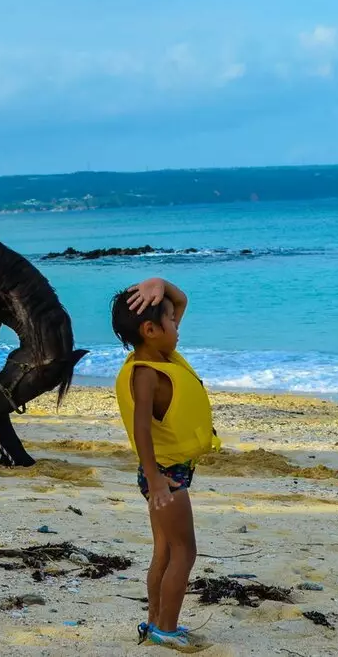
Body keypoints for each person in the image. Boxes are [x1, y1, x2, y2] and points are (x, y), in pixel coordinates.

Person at [111, 277, 221, 650]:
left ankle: (155, 622)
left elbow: (181, 297)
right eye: (172, 322)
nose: (178, 326)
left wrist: (159, 283)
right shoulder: (147, 374)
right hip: (165, 476)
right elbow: (141, 428)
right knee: (184, 551)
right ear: (150, 329)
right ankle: (168, 629)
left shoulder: (161, 356)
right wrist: (157, 480)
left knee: (164, 548)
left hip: (163, 472)